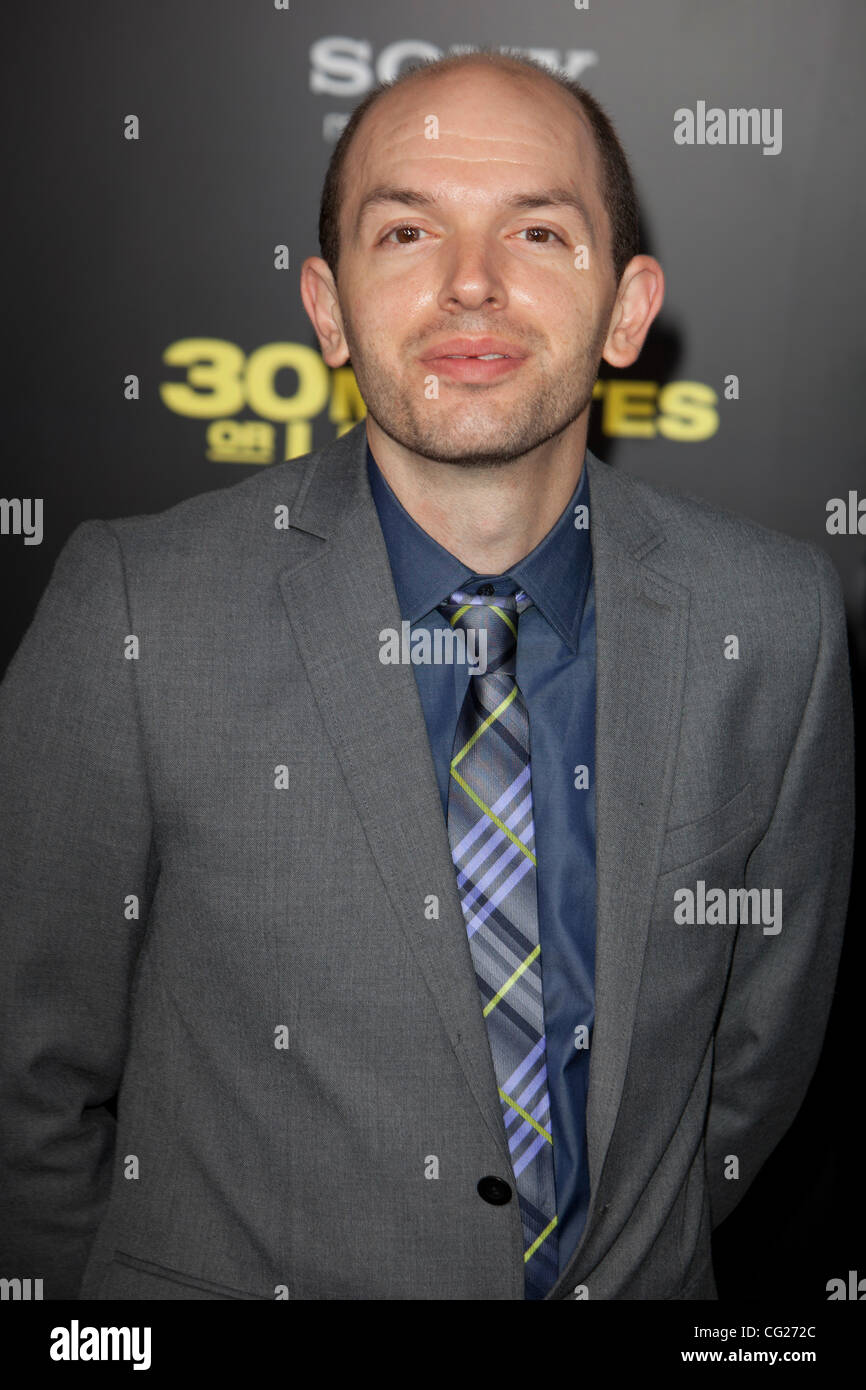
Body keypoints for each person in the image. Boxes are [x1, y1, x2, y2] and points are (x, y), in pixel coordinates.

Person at [0, 50, 854, 1302]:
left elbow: (750, 1073)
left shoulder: (771, 621)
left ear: (624, 310)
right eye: (406, 230)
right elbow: (26, 1080)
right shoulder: (135, 609)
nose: (470, 284)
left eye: (536, 232)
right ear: (329, 307)